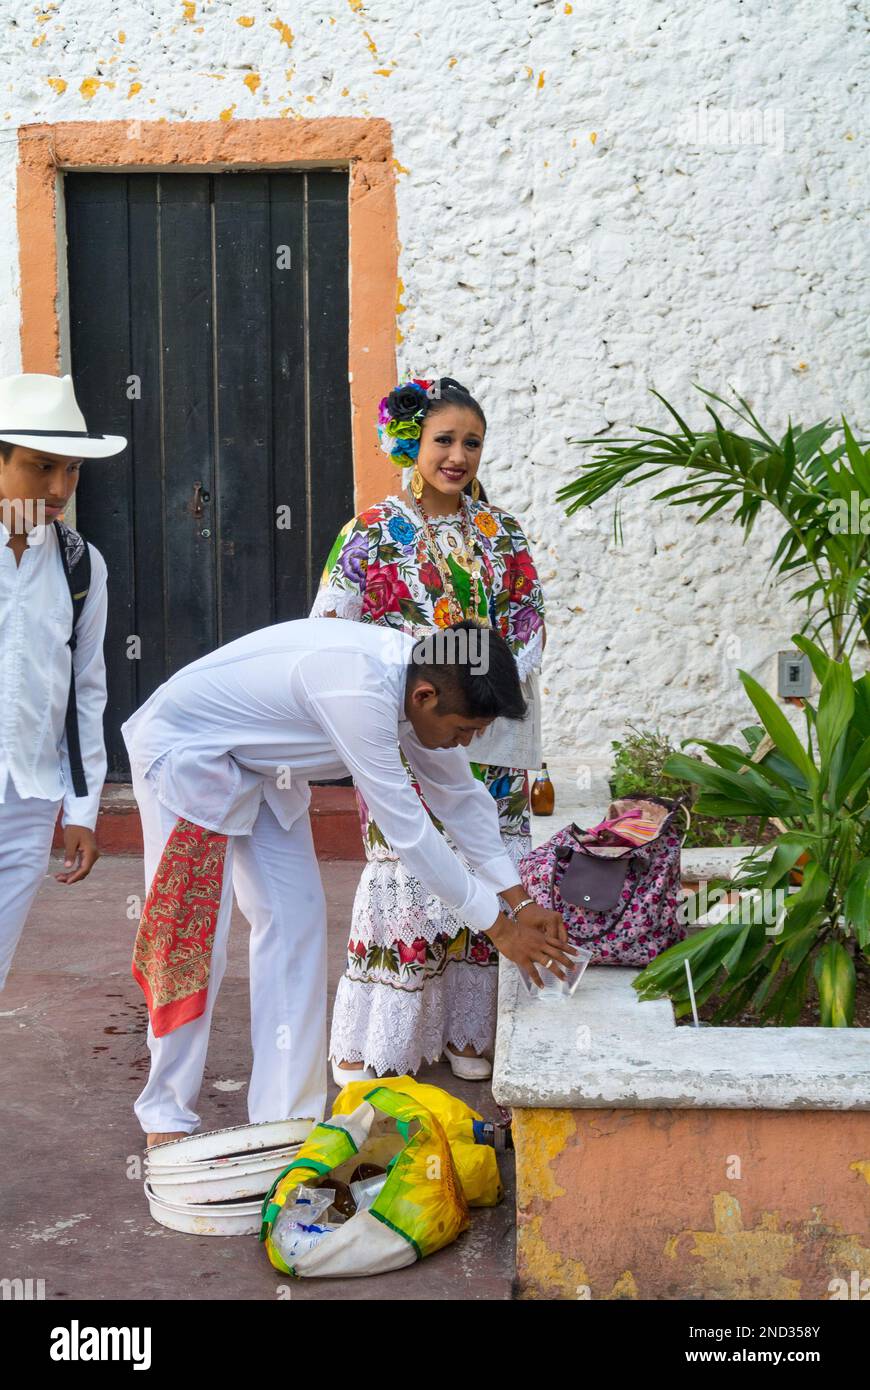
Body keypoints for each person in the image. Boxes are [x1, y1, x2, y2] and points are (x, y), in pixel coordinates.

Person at [120, 617, 571, 1147]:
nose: (465, 743)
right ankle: (166, 1116)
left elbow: (461, 801)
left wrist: (518, 901)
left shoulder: (421, 684)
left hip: (264, 769)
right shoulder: (359, 690)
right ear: (425, 697)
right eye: (464, 731)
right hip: (187, 755)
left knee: (297, 923)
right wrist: (498, 927)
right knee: (192, 940)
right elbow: (410, 832)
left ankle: (285, 1123)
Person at [311, 376, 546, 1083]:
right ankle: (383, 1038)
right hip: (405, 721)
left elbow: (530, 618)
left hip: (487, 733)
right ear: (412, 442)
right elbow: (330, 626)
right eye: (444, 440)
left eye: (471, 442)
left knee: (484, 857)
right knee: (412, 864)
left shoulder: (503, 532)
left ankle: (469, 1033)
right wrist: (419, 667)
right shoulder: (370, 530)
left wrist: (487, 675)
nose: (458, 456)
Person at [0, 373, 125, 992]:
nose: (58, 489)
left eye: (72, 470)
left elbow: (86, 692)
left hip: (29, 801)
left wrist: (82, 808)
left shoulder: (81, 565)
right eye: (40, 466)